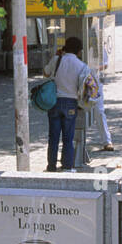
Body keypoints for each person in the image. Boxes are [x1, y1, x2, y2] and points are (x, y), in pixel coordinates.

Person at [42, 36, 90, 171]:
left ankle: (51, 166)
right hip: (71, 103)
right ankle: (67, 166)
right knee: (68, 138)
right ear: (79, 51)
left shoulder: (57, 60)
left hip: (54, 102)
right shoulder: (82, 66)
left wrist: (55, 57)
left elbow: (45, 73)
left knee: (53, 137)